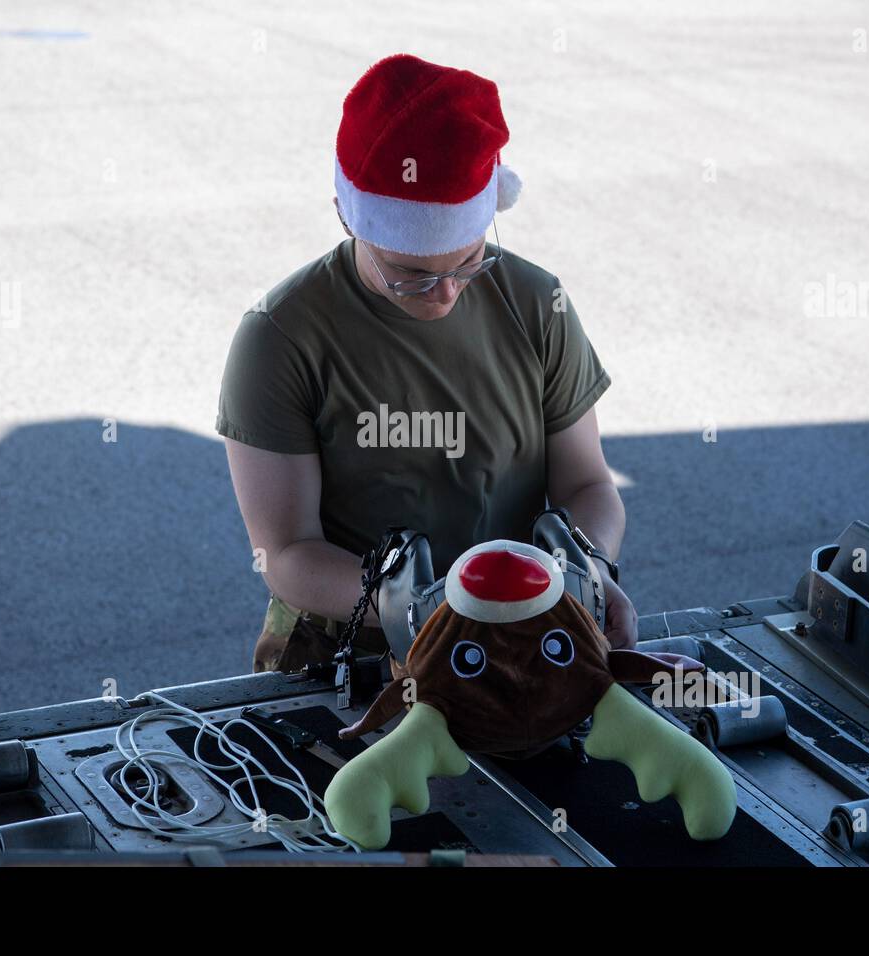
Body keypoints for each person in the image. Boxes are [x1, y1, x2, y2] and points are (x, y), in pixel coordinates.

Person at [216, 53, 637, 675]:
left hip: (526, 628)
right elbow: (286, 552)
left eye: (468, 262)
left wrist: (588, 570)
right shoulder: (279, 337)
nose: (444, 292)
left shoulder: (535, 303)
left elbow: (588, 485)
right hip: (347, 651)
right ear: (346, 214)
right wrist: (417, 608)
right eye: (411, 274)